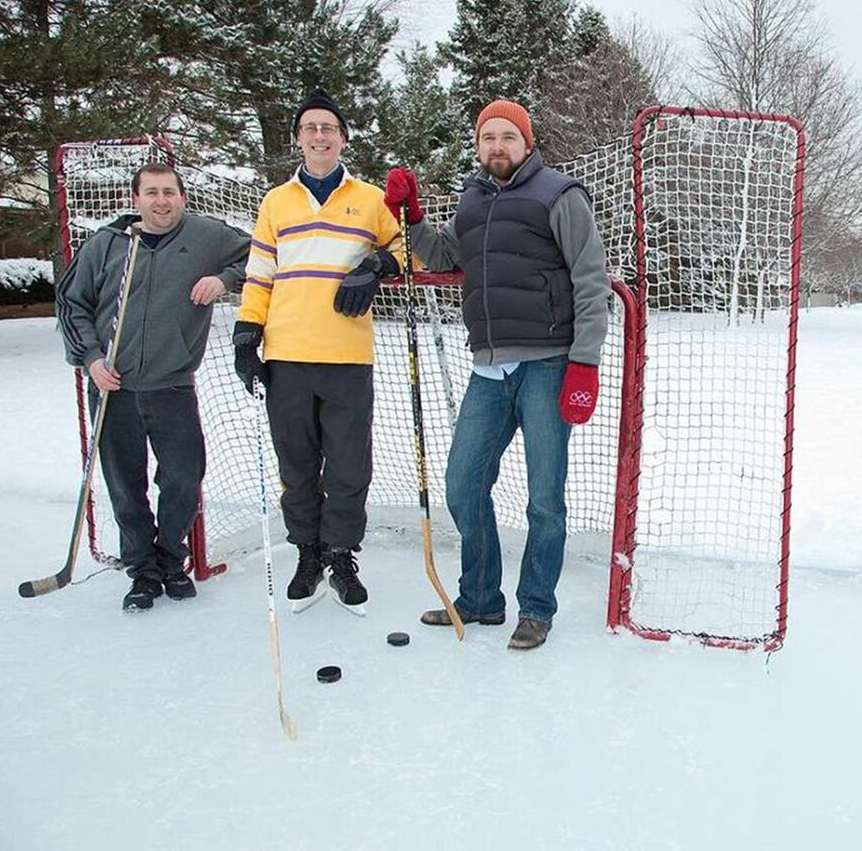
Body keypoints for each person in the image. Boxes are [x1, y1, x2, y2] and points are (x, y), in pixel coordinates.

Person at [386, 99, 609, 650]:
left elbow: (590, 279)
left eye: (508, 136)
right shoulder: (473, 200)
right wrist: (413, 219)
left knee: (543, 499)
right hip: (488, 368)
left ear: (527, 143)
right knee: (463, 484)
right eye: (488, 138)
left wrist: (584, 361)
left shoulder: (559, 195)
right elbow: (445, 254)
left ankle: (536, 608)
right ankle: (480, 598)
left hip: (548, 364)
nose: (497, 147)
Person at [232, 88, 402, 615]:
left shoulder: (371, 199)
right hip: (288, 355)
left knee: (349, 466)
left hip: (348, 356)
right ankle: (308, 554)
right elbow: (260, 275)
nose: (321, 135)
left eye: (330, 127)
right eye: (311, 128)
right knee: (298, 464)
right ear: (298, 139)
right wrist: (246, 333)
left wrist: (375, 266)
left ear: (344, 137)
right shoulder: (275, 202)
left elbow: (402, 250)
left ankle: (341, 555)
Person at [56, 162, 249, 610]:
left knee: (183, 478)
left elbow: (259, 255)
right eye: (152, 193)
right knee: (126, 483)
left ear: (183, 197)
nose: (161, 201)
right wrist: (91, 358)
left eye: (169, 192)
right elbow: (72, 303)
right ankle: (141, 570)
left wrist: (223, 279)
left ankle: (170, 560)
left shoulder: (206, 236)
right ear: (135, 199)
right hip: (113, 386)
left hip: (171, 384)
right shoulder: (107, 245)